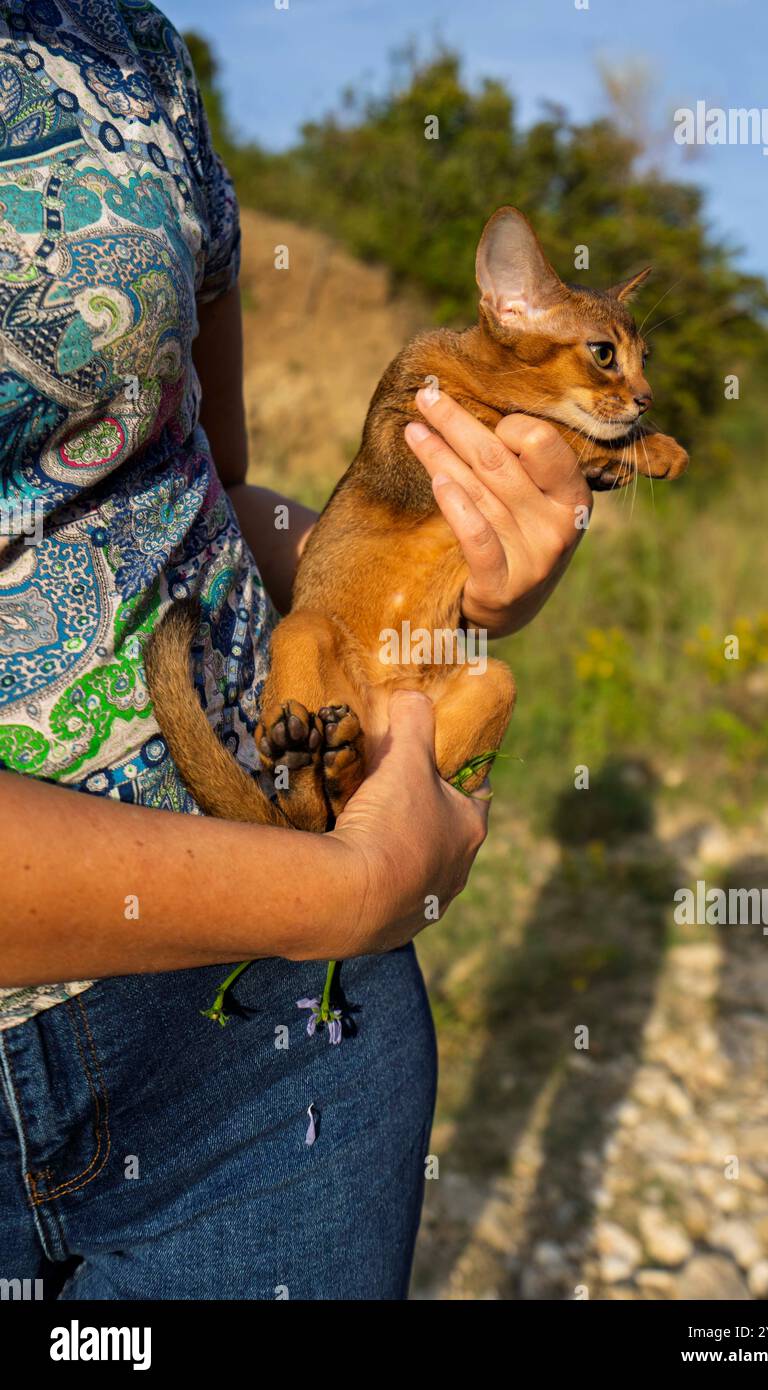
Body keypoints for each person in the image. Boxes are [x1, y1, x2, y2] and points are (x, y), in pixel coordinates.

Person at [0, 1, 591, 1299]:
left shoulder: (125, 46)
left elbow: (196, 480)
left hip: (277, 1043)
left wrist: (448, 574)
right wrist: (338, 896)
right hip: (303, 908)